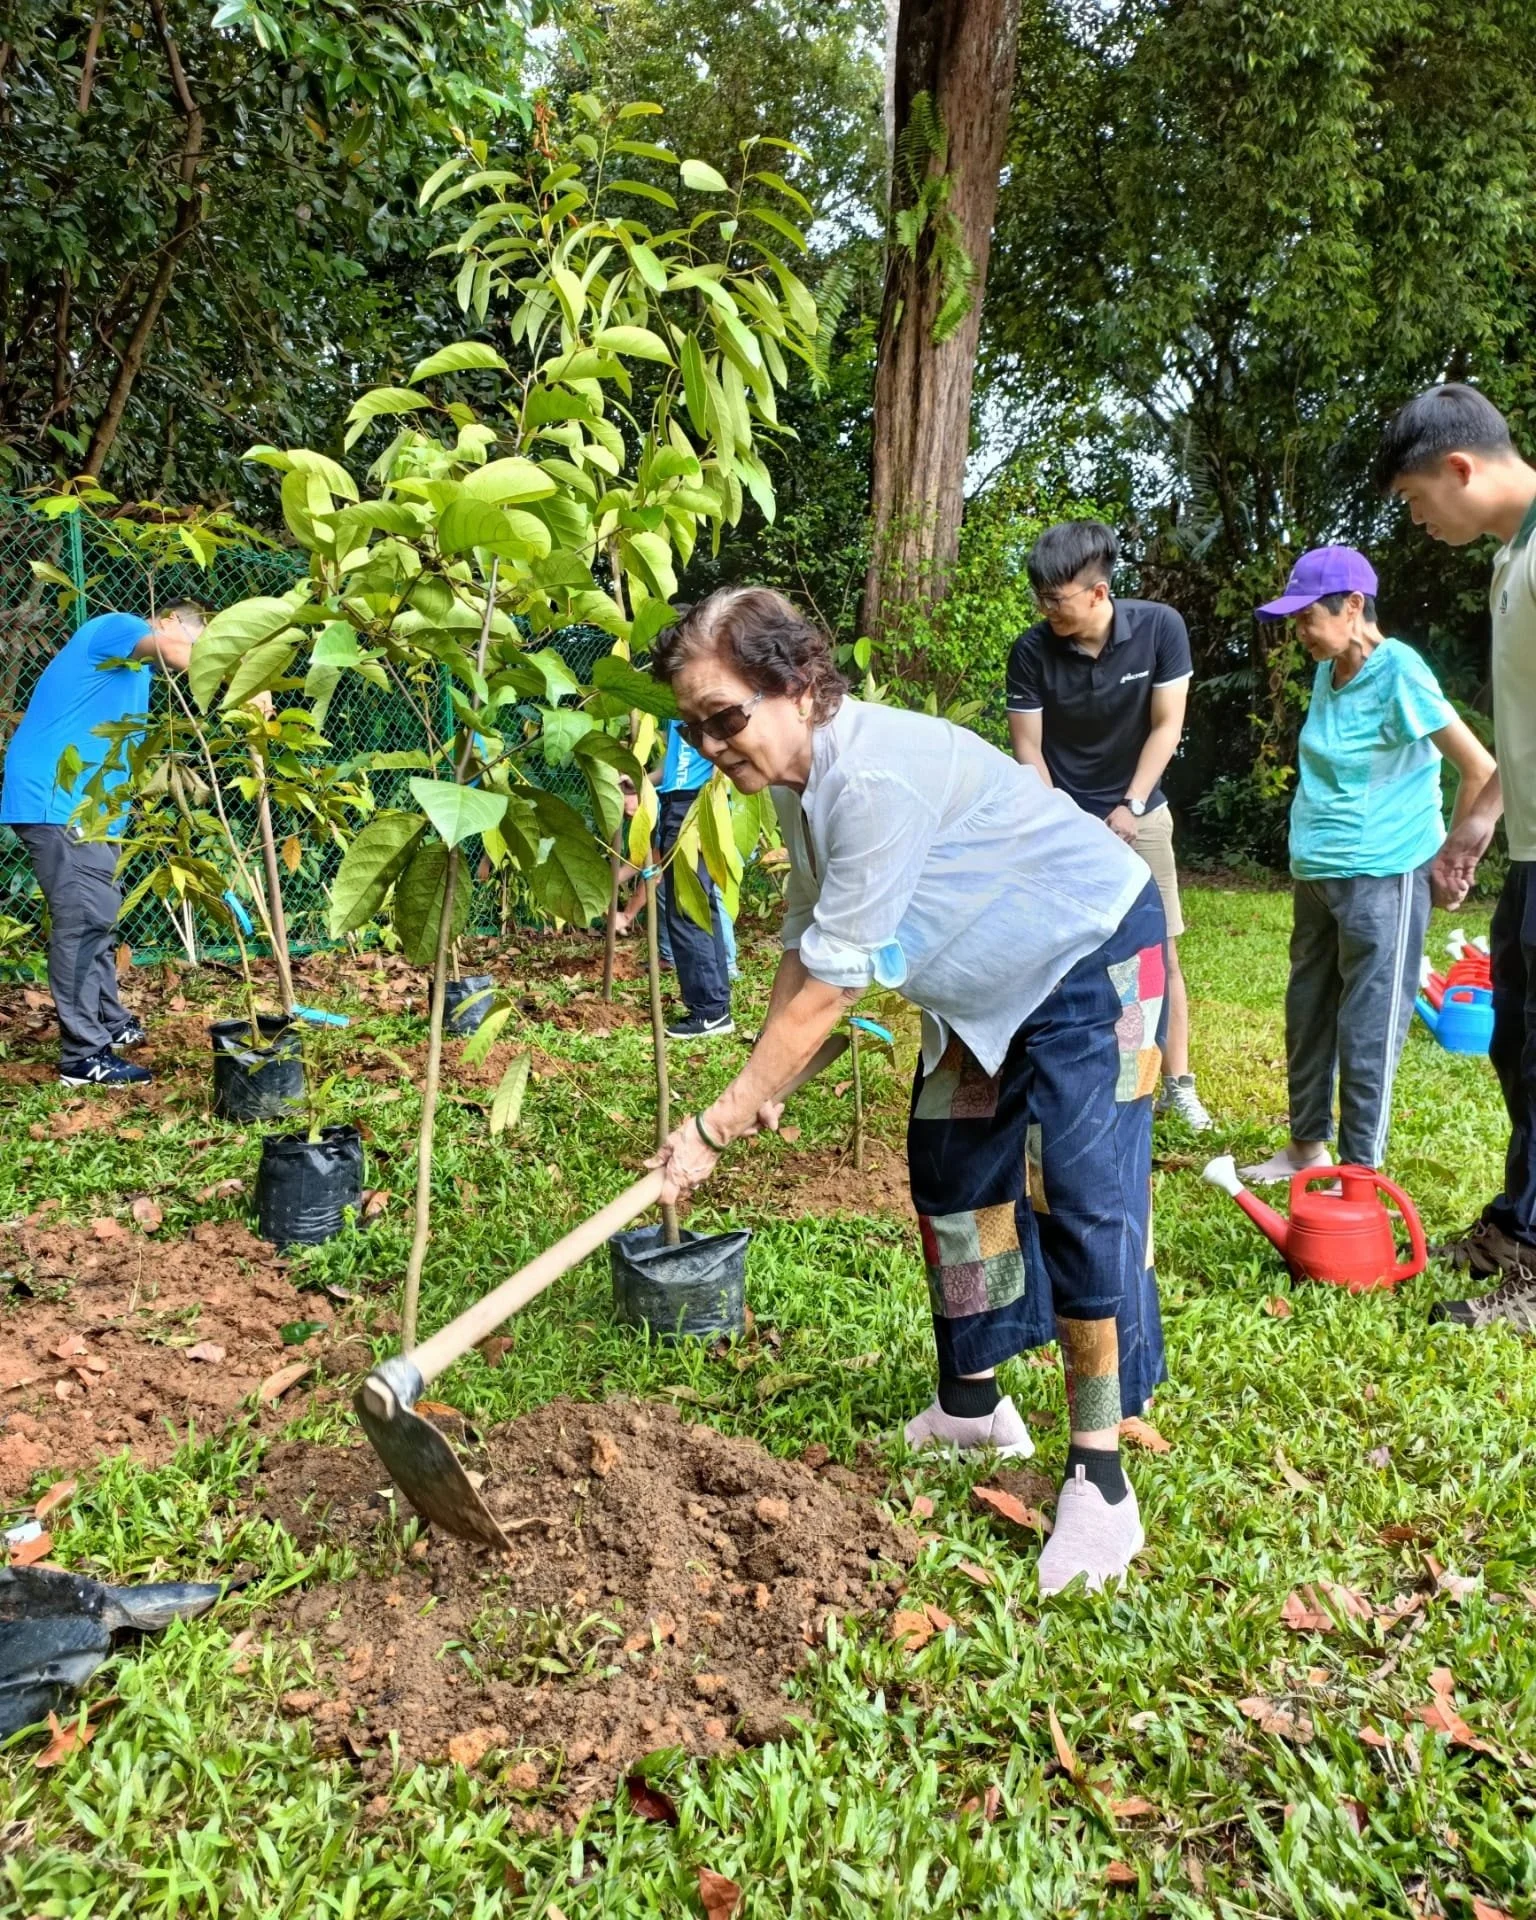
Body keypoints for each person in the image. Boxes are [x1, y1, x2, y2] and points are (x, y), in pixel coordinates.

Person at [648, 586, 1169, 1595]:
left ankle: (1100, 1478)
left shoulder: (873, 775)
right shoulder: (803, 787)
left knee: (1079, 1193)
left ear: (795, 683)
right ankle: (972, 1408)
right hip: (987, 992)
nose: (709, 745)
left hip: (1095, 956)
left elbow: (838, 984)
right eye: (691, 728)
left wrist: (713, 1124)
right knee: (951, 1171)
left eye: (723, 717)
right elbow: (808, 948)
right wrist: (762, 1083)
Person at [1239, 547, 1495, 1183]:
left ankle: (1359, 1175)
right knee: (1308, 1014)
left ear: (1353, 607)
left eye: (1307, 618)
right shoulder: (1331, 670)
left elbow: (1480, 767)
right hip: (1318, 876)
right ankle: (1305, 1147)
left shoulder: (1399, 670)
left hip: (1385, 875)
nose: (1299, 632)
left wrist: (1450, 861)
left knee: (1368, 1028)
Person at [1376, 383, 1536, 1327]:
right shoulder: (1509, 558)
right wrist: (1481, 819)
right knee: (1517, 1043)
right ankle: (1519, 1223)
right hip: (1529, 852)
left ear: (1461, 469)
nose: (1418, 519)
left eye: (1414, 499)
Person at [1006, 520, 1210, 1130]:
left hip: (1141, 813)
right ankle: (1064, 1081)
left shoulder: (1159, 629)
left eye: (1056, 598)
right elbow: (1028, 749)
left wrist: (1132, 805)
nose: (1046, 610)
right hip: (1062, 820)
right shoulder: (1032, 649)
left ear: (1098, 592)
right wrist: (1063, 823)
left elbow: (1167, 724)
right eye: (1039, 598)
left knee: (1159, 951)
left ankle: (1177, 1084)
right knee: (1060, 953)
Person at [0, 603, 204, 1086]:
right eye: (199, 641)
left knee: (99, 914)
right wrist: (247, 680)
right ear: (171, 620)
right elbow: (177, 652)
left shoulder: (135, 669)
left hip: (93, 811)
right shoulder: (120, 628)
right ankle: (82, 1057)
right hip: (59, 798)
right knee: (84, 919)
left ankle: (110, 1022)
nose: (195, 653)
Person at [654, 718, 734, 1038]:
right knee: (699, 907)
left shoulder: (698, 706)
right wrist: (644, 780)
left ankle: (709, 1011)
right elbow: (675, 766)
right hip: (678, 802)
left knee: (687, 910)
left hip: (694, 806)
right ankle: (714, 1004)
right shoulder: (678, 713)